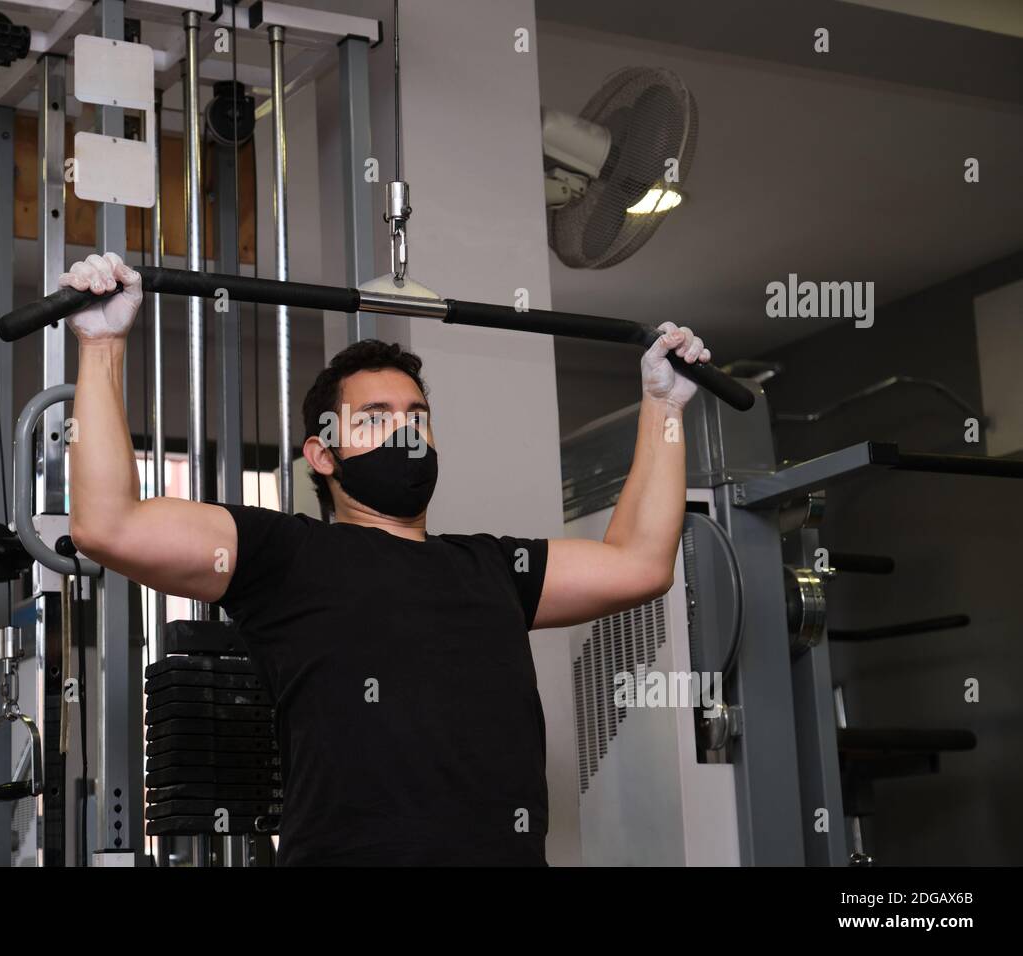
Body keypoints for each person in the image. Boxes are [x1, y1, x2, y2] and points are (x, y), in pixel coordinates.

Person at [63, 252, 712, 866]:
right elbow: (109, 525)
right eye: (374, 418)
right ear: (322, 455)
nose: (404, 432)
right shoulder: (285, 558)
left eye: (416, 417)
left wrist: (664, 407)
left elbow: (641, 563)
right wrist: (100, 344)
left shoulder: (496, 570)